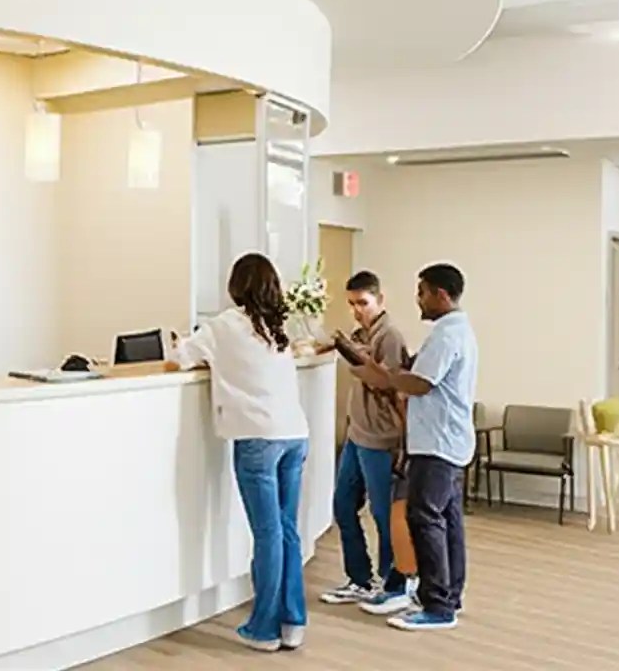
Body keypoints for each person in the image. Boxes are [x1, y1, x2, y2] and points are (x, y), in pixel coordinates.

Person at [167, 253, 311, 652]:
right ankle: (292, 621)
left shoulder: (224, 325)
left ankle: (264, 629)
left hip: (258, 438)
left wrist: (181, 344)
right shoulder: (277, 328)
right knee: (286, 529)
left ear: (236, 286)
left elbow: (178, 359)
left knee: (268, 534)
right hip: (295, 434)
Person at [348, 263, 477, 632]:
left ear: (441, 294)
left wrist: (385, 375)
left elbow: (421, 383)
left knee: (425, 518)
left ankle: (437, 606)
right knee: (447, 521)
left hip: (437, 443)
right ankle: (449, 596)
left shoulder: (447, 335)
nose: (418, 299)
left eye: (422, 292)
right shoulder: (454, 331)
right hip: (446, 440)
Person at [317, 271, 412, 612]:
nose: (357, 310)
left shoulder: (390, 336)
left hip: (381, 438)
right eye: (352, 304)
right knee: (343, 505)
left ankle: (393, 584)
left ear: (379, 299)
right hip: (357, 435)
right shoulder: (361, 334)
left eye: (363, 303)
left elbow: (387, 382)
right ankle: (360, 579)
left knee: (384, 515)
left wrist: (351, 353)